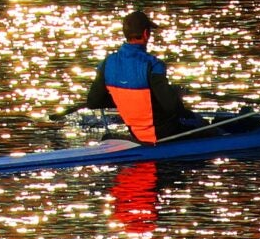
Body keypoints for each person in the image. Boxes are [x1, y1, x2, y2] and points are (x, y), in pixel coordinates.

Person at [84, 10, 207, 143]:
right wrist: (175, 94)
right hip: (163, 134)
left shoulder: (107, 64)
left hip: (137, 134)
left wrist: (125, 99)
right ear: (145, 34)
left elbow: (93, 102)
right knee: (206, 124)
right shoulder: (153, 65)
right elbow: (172, 107)